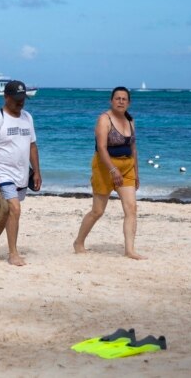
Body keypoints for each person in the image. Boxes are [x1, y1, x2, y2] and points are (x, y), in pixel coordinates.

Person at [73, 86, 145, 259]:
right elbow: (102, 148)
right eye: (117, 98)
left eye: (124, 99)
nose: (121, 101)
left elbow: (133, 148)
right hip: (104, 167)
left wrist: (137, 172)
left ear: (129, 102)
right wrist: (113, 170)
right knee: (98, 211)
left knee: (131, 209)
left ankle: (130, 250)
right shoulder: (104, 120)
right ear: (111, 101)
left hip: (127, 167)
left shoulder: (130, 120)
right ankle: (79, 242)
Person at [0, 80, 41, 266]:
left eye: (23, 98)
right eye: (16, 99)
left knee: (7, 213)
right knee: (15, 209)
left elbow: (32, 146)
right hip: (3, 174)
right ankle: (13, 254)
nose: (20, 102)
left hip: (22, 174)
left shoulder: (27, 118)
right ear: (6, 97)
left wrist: (37, 172)